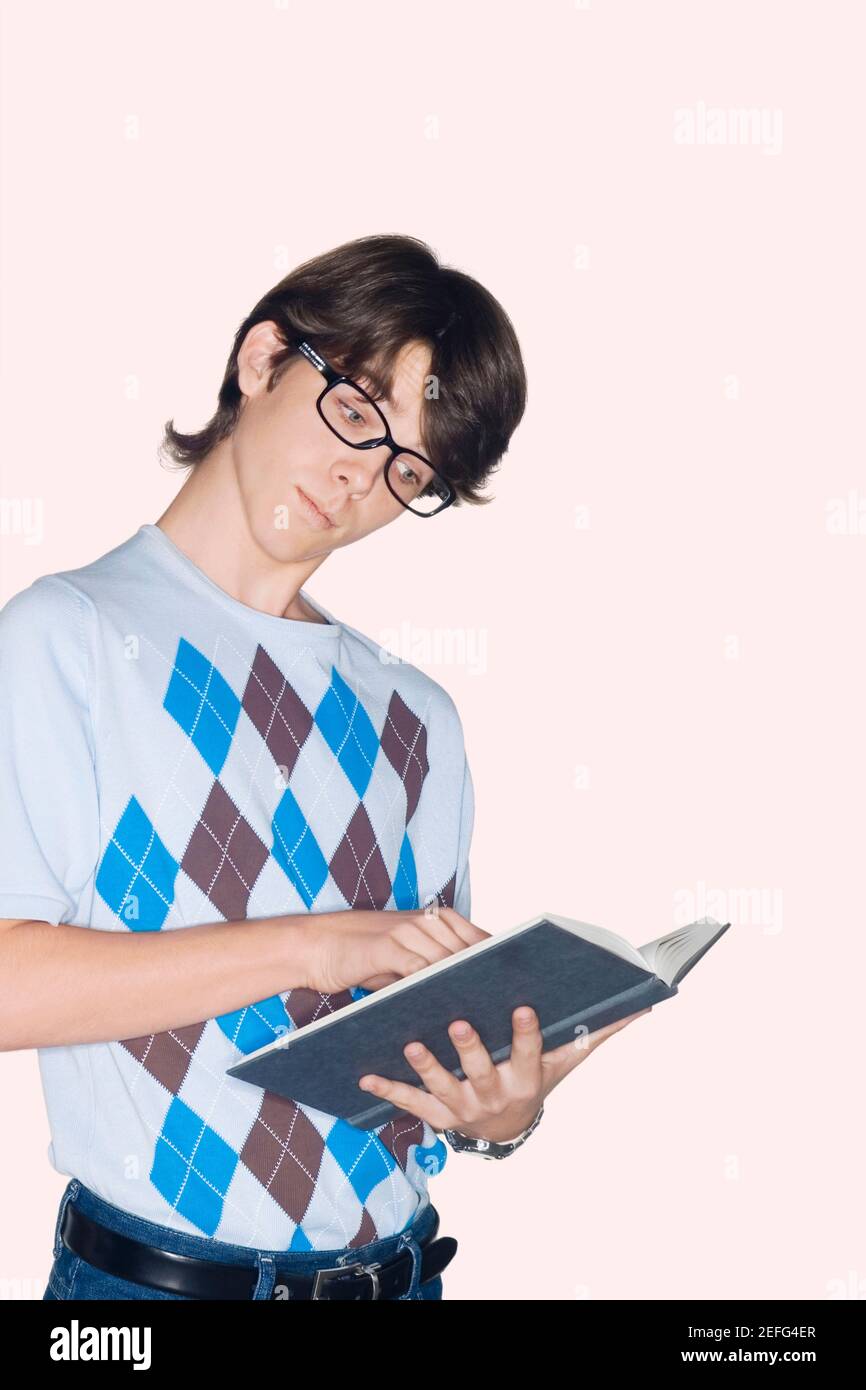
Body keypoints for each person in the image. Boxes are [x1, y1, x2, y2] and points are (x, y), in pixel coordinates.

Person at [0, 233, 647, 1302]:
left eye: (407, 469)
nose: (358, 478)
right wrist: (315, 943)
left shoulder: (416, 716)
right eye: (354, 411)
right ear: (261, 360)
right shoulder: (64, 638)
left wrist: (498, 1112)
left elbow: (416, 1046)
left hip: (403, 1274)